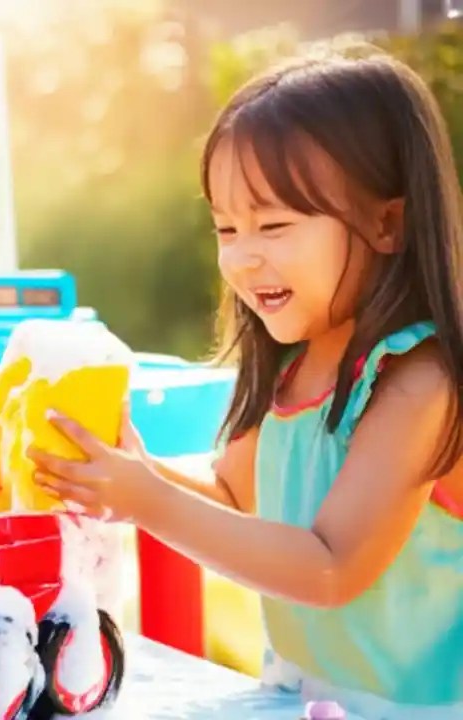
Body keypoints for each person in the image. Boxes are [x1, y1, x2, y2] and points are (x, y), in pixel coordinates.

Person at [30, 47, 463, 719]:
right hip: (305, 698)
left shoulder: (418, 382)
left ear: (387, 223)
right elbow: (235, 499)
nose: (242, 255)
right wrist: (135, 475)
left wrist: (147, 499)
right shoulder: (295, 366)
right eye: (227, 228)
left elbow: (330, 567)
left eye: (275, 226)